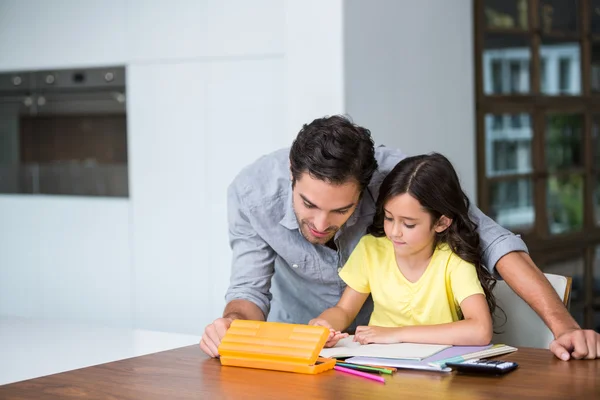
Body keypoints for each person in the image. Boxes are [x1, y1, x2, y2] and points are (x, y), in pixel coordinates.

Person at [200, 115, 600, 360]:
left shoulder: (398, 179)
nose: (321, 223)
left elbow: (492, 240)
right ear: (291, 171)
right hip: (311, 348)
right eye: (307, 204)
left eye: (342, 210)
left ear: (367, 187)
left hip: (396, 357)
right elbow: (248, 292)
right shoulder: (251, 193)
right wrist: (231, 324)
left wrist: (563, 327)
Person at [309, 153, 494, 347]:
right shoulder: (371, 249)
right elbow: (344, 311)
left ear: (441, 223)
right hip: (379, 365)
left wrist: (397, 334)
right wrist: (326, 325)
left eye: (408, 224)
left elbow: (480, 331)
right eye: (389, 218)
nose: (394, 232)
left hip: (437, 369)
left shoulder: (453, 260)